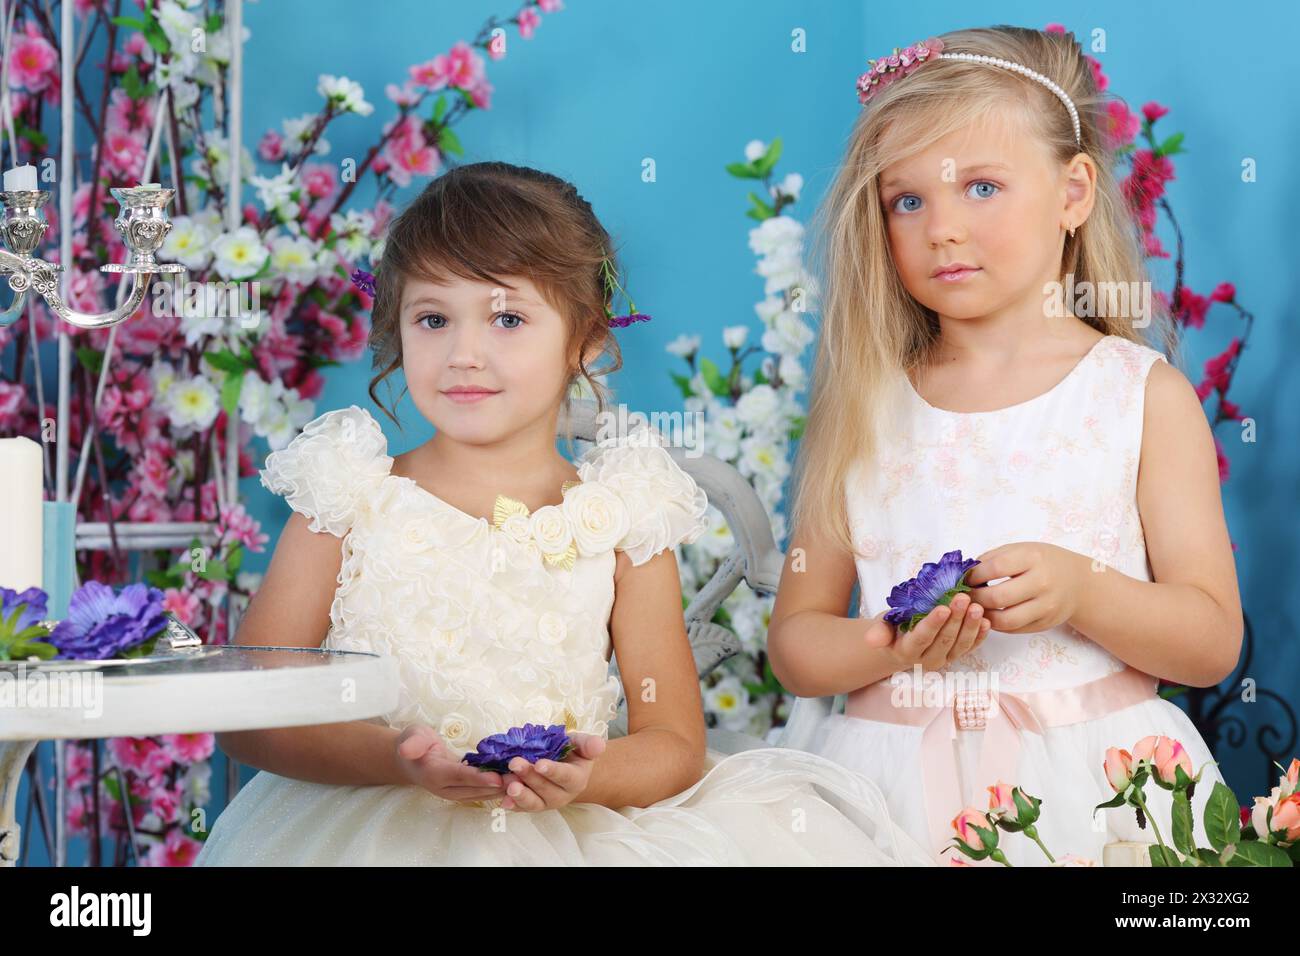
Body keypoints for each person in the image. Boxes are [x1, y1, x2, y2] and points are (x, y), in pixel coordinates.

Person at [194, 161, 935, 866]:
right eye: (431, 318)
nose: (463, 353)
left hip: (571, 830)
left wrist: (587, 777)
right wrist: (395, 760)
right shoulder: (345, 497)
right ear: (395, 328)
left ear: (585, 342)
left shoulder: (622, 512)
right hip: (367, 824)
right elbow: (253, 716)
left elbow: (672, 740)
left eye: (508, 318)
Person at [767, 26, 1241, 866]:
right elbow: (797, 645)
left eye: (981, 187)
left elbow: (1209, 643)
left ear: (1073, 193)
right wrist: (887, 640)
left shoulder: (1139, 397)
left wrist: (1082, 590)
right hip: (888, 794)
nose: (941, 228)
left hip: (1096, 787)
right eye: (906, 201)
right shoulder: (867, 408)